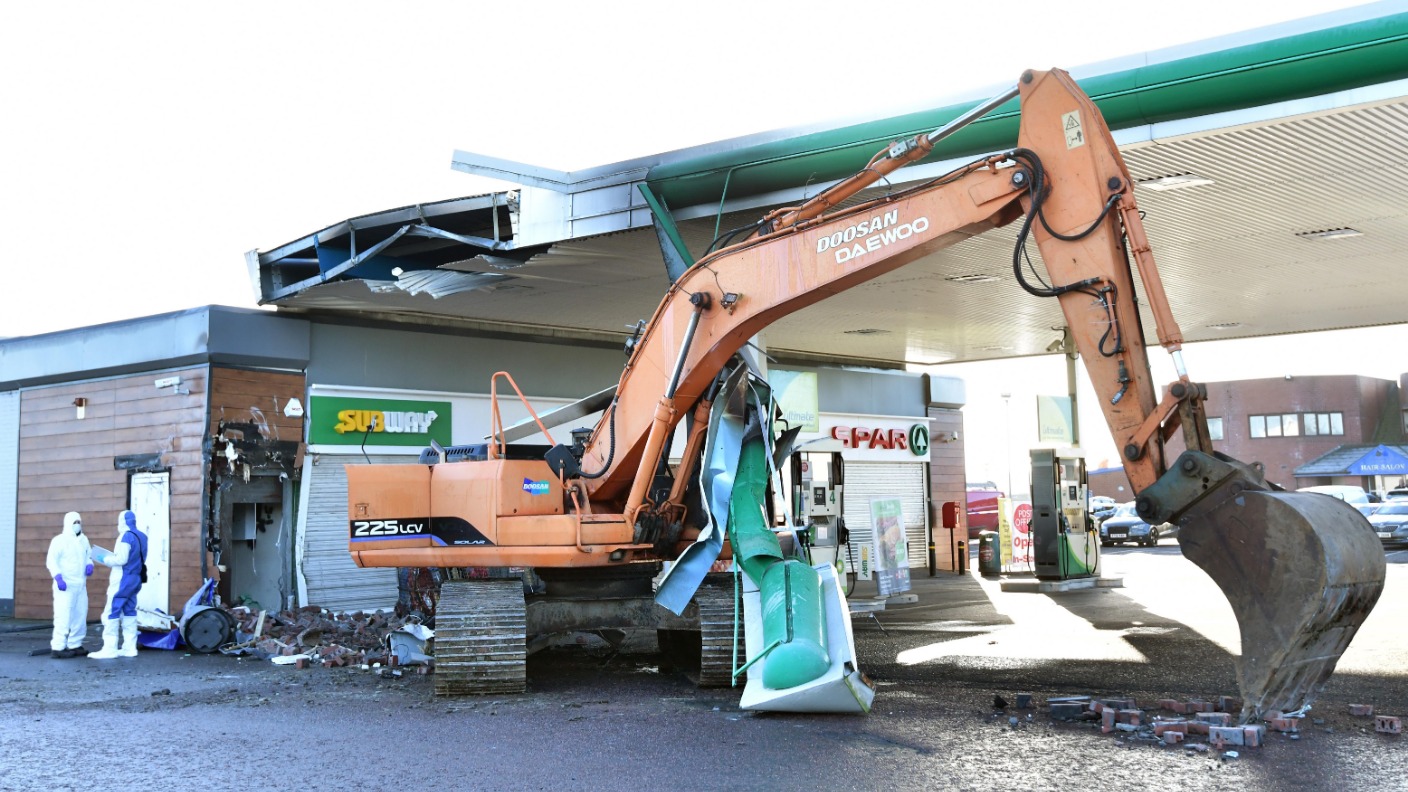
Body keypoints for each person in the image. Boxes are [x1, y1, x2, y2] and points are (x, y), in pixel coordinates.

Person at [89, 510, 146, 660]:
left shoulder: (126, 536)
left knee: (111, 612)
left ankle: (109, 649)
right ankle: (130, 647)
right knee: (129, 611)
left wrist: (105, 558)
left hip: (123, 578)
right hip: (136, 578)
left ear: (122, 521)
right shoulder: (142, 536)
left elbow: (121, 559)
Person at [45, 512, 93, 658]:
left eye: (79, 521)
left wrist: (89, 564)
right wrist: (58, 577)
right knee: (63, 616)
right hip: (65, 585)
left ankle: (75, 644)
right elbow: (51, 560)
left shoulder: (84, 540)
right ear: (68, 523)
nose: (77, 524)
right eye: (74, 522)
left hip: (80, 585)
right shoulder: (59, 540)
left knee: (80, 615)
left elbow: (88, 555)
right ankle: (58, 647)